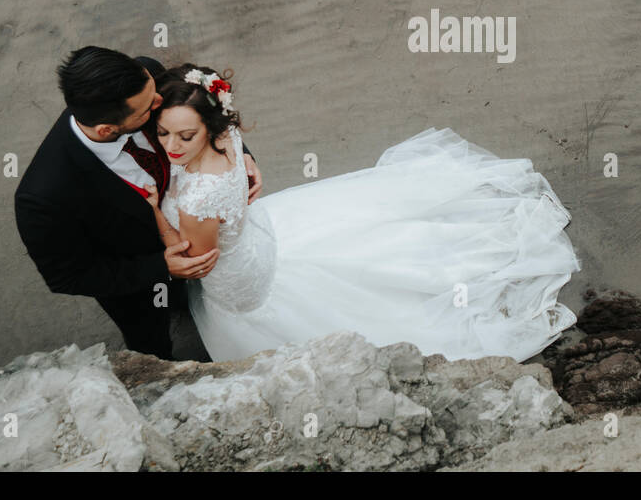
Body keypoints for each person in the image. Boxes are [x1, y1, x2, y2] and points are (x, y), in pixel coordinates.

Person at [145, 61, 581, 364]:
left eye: (185, 136)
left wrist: (157, 215)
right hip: (260, 238)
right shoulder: (226, 136)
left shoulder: (199, 199)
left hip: (240, 283)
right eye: (162, 133)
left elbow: (199, 262)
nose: (171, 146)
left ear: (209, 126)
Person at [13, 47, 262, 359]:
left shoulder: (146, 80)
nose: (159, 101)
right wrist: (161, 268)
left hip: (202, 235)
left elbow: (201, 110)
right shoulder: (43, 198)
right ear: (107, 130)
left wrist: (239, 158)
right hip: (139, 285)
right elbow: (68, 276)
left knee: (199, 298)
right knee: (151, 346)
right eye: (148, 109)